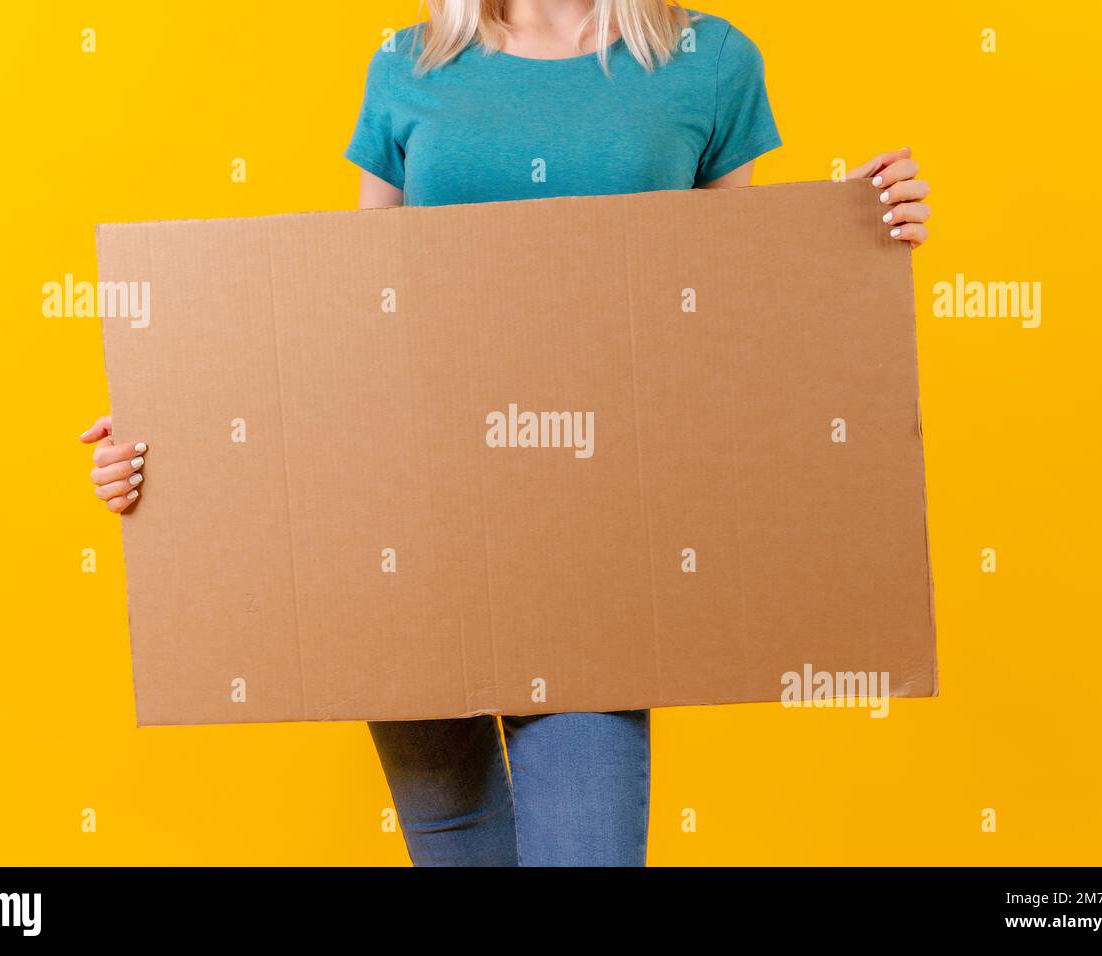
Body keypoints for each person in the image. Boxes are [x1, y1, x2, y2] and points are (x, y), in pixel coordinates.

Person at [80, 0, 931, 867]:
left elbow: (724, 313)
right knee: (454, 846)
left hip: (594, 545)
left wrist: (856, 232)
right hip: (409, 536)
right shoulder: (408, 66)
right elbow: (344, 317)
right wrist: (175, 420)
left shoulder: (707, 60)